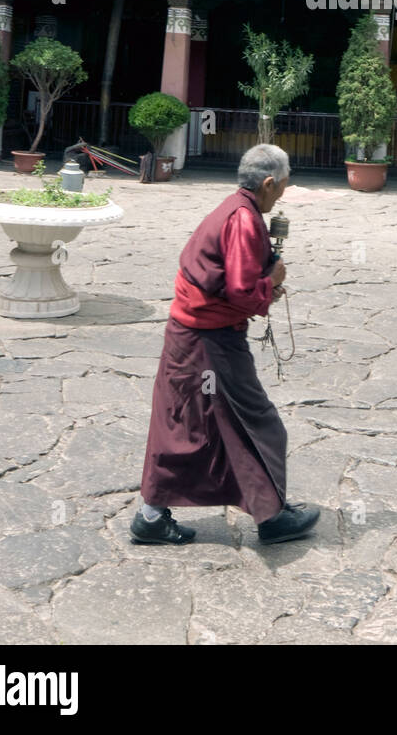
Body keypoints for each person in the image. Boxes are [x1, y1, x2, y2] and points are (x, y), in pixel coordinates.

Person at [130, 144, 320, 546]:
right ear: (268, 183)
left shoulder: (234, 208)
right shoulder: (242, 219)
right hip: (209, 342)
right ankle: (271, 519)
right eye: (282, 187)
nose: (281, 196)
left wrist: (263, 282)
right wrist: (271, 282)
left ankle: (153, 516)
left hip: (193, 336)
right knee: (259, 422)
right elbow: (239, 289)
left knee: (190, 426)